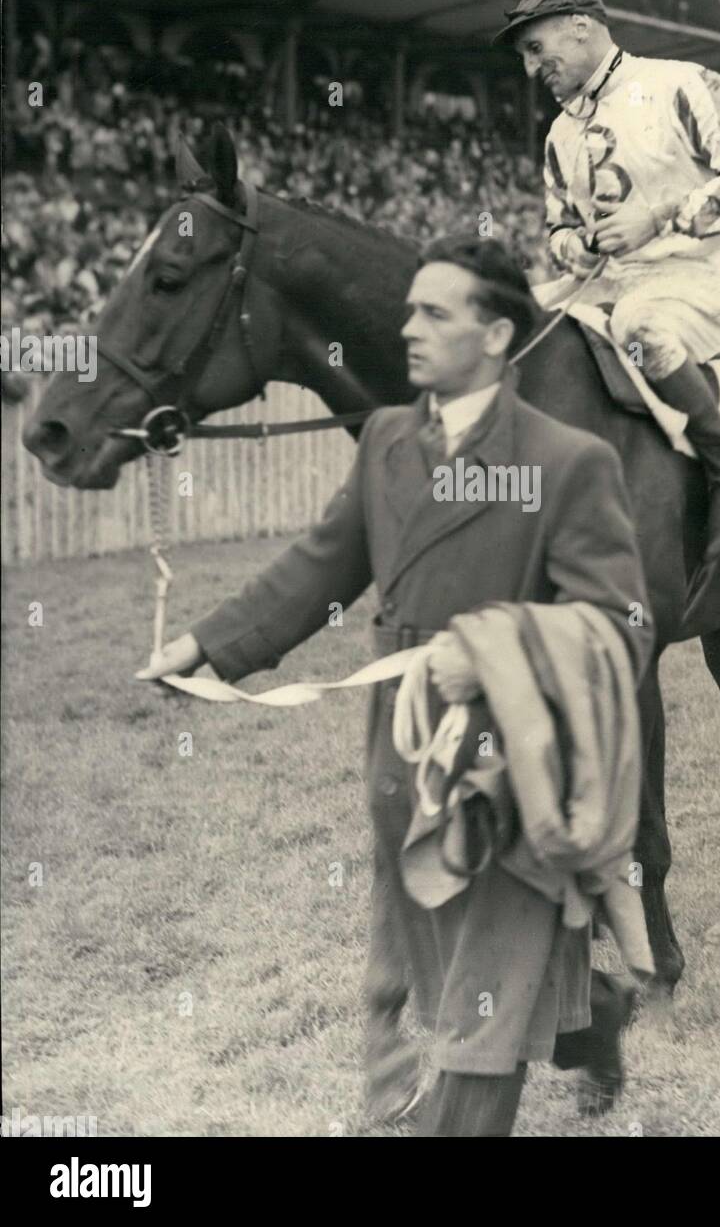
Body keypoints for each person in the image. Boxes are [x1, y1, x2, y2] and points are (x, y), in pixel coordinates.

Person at [138, 234, 654, 1138]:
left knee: (477, 1020)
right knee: (436, 970)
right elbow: (322, 566)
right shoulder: (384, 437)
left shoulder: (569, 460)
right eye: (410, 308)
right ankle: (590, 1015)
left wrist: (502, 644)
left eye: (435, 313)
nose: (407, 327)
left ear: (495, 335)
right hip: (403, 763)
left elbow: (625, 629)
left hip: (507, 776)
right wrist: (208, 643)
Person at [495, 0, 720, 570]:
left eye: (534, 49)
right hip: (602, 282)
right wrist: (580, 244)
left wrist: (657, 220)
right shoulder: (559, 134)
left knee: (638, 325)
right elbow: (558, 234)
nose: (530, 71)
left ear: (580, 24)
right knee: (498, 321)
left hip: (689, 280)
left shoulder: (681, 84)